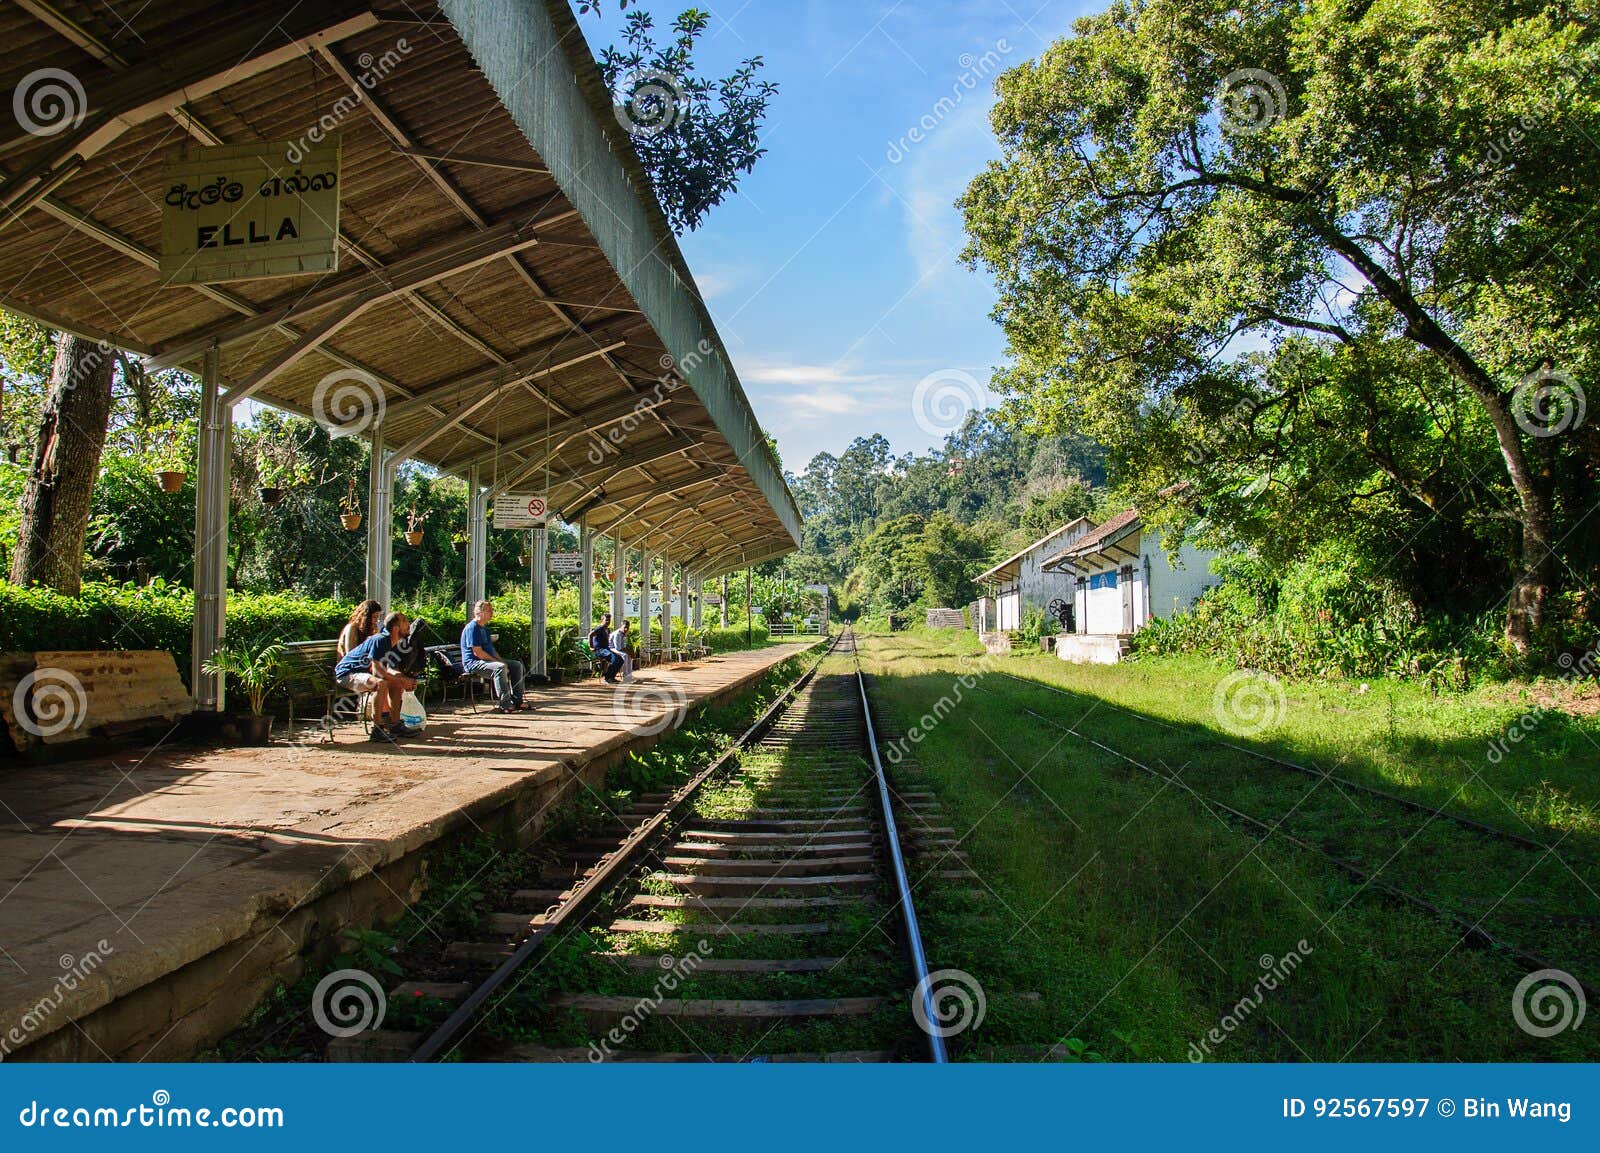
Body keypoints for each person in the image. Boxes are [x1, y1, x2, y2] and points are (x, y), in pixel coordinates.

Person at [333, 611, 419, 742]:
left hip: (362, 674)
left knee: (397, 683)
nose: (409, 624)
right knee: (380, 684)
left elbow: (389, 669)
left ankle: (394, 725)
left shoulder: (395, 642)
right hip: (347, 674)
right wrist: (402, 680)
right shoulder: (381, 640)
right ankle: (377, 730)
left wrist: (404, 680)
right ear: (395, 628)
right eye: (404, 621)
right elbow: (377, 671)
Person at [461, 600, 525, 712]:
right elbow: (478, 652)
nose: (492, 613)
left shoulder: (484, 629)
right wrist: (498, 662)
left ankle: (518, 702)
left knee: (516, 665)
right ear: (480, 612)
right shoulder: (472, 628)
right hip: (474, 663)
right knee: (500, 668)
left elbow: (492, 650)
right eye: (489, 610)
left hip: (486, 661)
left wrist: (500, 660)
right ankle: (505, 705)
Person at [589, 613, 624, 683]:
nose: (608, 622)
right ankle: (607, 678)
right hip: (599, 650)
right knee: (614, 658)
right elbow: (590, 635)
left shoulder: (607, 629)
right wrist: (591, 646)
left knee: (620, 660)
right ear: (602, 620)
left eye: (609, 620)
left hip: (606, 649)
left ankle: (611, 677)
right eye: (606, 620)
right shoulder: (599, 628)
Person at [608, 619, 635, 684]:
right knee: (625, 655)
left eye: (627, 628)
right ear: (621, 627)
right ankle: (625, 676)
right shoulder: (617, 634)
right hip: (611, 648)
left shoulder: (624, 634)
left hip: (618, 649)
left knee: (629, 656)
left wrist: (630, 653)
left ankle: (629, 675)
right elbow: (618, 648)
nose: (626, 629)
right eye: (624, 627)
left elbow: (623, 647)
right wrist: (628, 652)